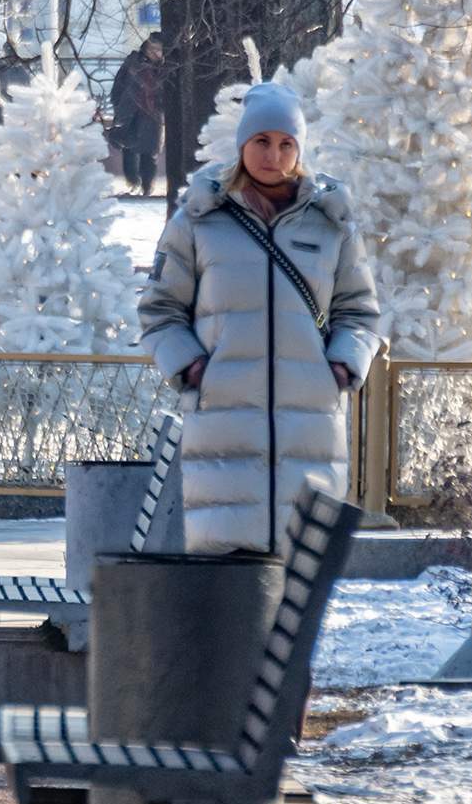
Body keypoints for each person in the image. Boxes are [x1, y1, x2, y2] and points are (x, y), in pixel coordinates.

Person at [138, 83, 383, 556]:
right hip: (224, 427)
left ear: (300, 148)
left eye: (286, 143)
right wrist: (192, 367)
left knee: (300, 577)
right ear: (242, 146)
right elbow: (160, 309)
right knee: (227, 583)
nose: (274, 155)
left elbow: (359, 312)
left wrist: (341, 366)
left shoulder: (331, 224)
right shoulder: (199, 219)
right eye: (262, 142)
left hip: (309, 424)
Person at [109, 32, 166, 197]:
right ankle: (133, 182)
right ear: (146, 48)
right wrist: (118, 105)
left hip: (152, 114)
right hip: (130, 111)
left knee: (149, 152)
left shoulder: (163, 68)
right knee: (129, 148)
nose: (156, 53)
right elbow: (119, 86)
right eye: (153, 48)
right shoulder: (132, 63)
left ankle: (147, 186)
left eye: (159, 50)